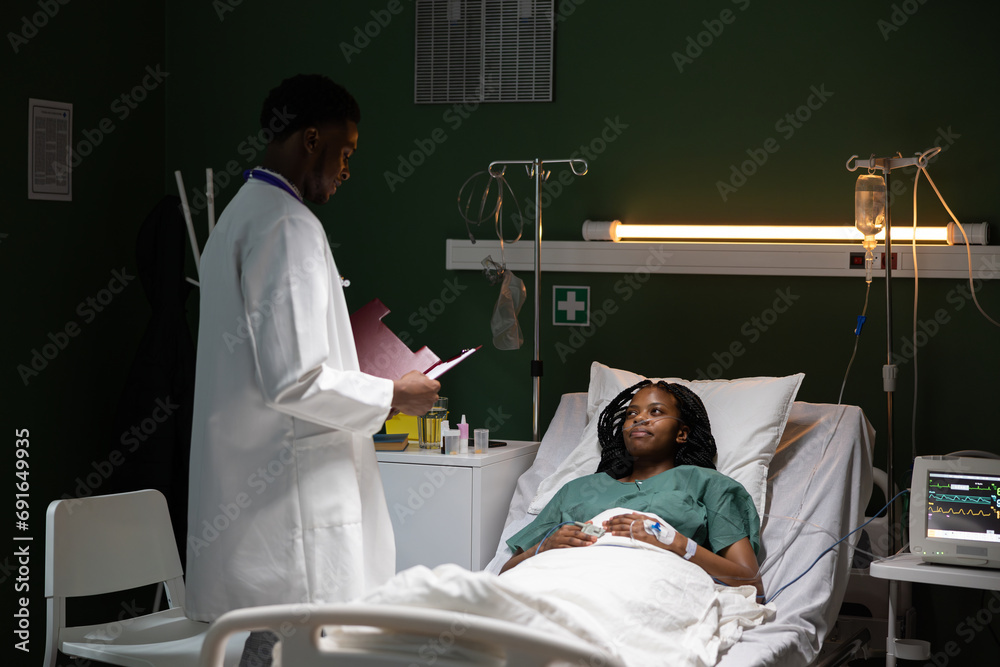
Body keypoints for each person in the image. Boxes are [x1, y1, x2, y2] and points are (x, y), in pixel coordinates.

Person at [185, 74, 440, 665]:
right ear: (310, 140)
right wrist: (394, 393)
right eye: (345, 151)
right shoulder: (288, 226)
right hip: (288, 514)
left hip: (254, 503)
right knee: (294, 652)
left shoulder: (240, 216)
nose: (347, 169)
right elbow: (294, 379)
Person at [500, 380, 762, 597]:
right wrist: (543, 547)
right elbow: (505, 575)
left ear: (682, 433)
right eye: (631, 414)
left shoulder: (708, 484)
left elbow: (751, 584)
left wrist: (676, 543)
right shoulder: (578, 489)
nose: (640, 419)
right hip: (560, 591)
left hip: (646, 594)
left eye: (656, 412)